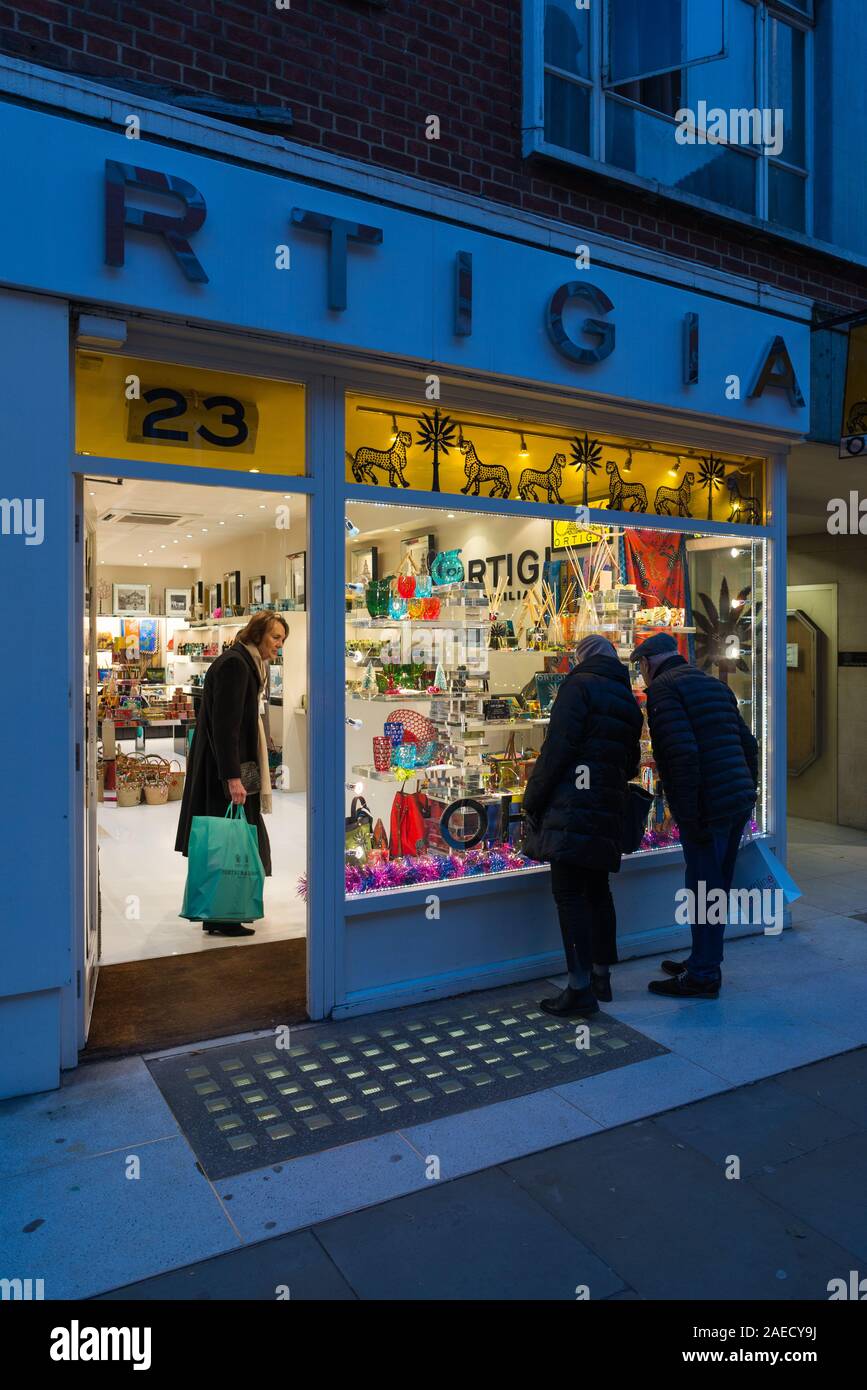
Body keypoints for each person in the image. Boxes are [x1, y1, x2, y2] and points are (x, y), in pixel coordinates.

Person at [631, 632, 759, 998]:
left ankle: (703, 975)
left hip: (707, 805)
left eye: (641, 669)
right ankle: (703, 958)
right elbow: (748, 744)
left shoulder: (664, 691)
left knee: (703, 889)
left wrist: (687, 814)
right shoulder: (712, 684)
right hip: (734, 800)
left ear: (648, 664)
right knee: (714, 888)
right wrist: (746, 789)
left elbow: (681, 755)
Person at [522, 634, 643, 1018]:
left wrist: (533, 798)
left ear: (580, 658)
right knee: (597, 890)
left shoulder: (576, 687)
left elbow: (558, 748)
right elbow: (631, 763)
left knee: (570, 894)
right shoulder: (626, 698)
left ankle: (578, 988)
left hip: (573, 805)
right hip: (606, 803)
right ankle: (600, 977)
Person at [175, 612, 287, 937]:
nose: (279, 645)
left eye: (282, 639)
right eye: (275, 637)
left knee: (236, 836)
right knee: (231, 837)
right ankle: (223, 914)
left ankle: (221, 911)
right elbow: (226, 728)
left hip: (235, 767)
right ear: (257, 634)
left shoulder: (246, 664)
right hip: (227, 771)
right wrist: (233, 778)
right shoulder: (236, 665)